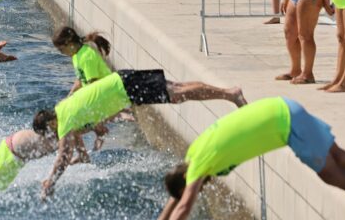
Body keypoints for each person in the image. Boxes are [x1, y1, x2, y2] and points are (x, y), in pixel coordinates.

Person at [145, 97, 345, 220]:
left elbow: (182, 207)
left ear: (191, 181)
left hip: (287, 125)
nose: (205, 186)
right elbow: (177, 200)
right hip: (284, 107)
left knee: (333, 174)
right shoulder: (194, 156)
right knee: (341, 158)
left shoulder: (199, 168)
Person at [32, 70, 246, 198]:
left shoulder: (65, 123)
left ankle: (230, 94)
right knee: (177, 90)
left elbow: (62, 156)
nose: (54, 136)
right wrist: (84, 155)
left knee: (178, 94)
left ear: (51, 123)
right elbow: (76, 136)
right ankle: (229, 94)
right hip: (123, 82)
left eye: (50, 132)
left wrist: (51, 181)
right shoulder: (63, 109)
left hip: (125, 87)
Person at [51, 26, 113, 93]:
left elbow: (93, 86)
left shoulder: (86, 57)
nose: (62, 53)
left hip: (107, 93)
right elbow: (80, 80)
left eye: (61, 49)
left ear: (70, 44)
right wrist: (69, 97)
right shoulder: (76, 56)